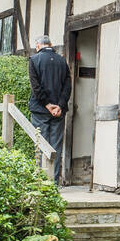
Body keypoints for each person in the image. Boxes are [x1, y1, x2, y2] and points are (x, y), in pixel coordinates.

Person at [27, 36, 71, 183]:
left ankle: (41, 181)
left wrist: (47, 104)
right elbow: (67, 86)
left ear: (38, 46)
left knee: (41, 144)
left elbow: (36, 87)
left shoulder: (34, 60)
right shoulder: (62, 60)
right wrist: (59, 105)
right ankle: (54, 183)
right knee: (56, 145)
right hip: (58, 111)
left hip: (40, 110)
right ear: (51, 45)